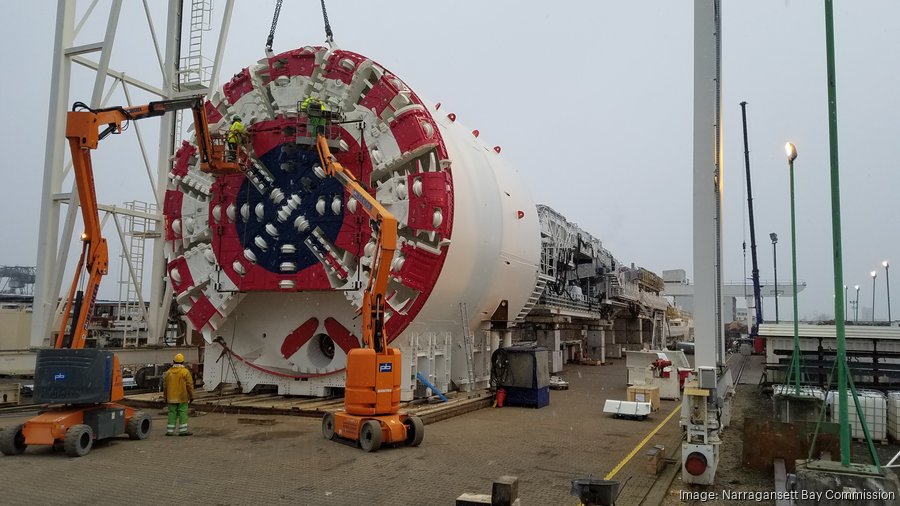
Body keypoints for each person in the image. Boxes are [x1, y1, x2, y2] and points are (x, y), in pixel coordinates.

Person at [163, 353, 195, 436]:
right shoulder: (185, 372)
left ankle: (170, 431)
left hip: (171, 397)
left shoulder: (168, 372)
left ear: (173, 361)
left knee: (172, 413)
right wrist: (192, 396)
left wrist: (165, 397)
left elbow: (165, 386)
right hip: (182, 397)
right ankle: (183, 431)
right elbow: (189, 385)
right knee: (183, 413)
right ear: (183, 362)